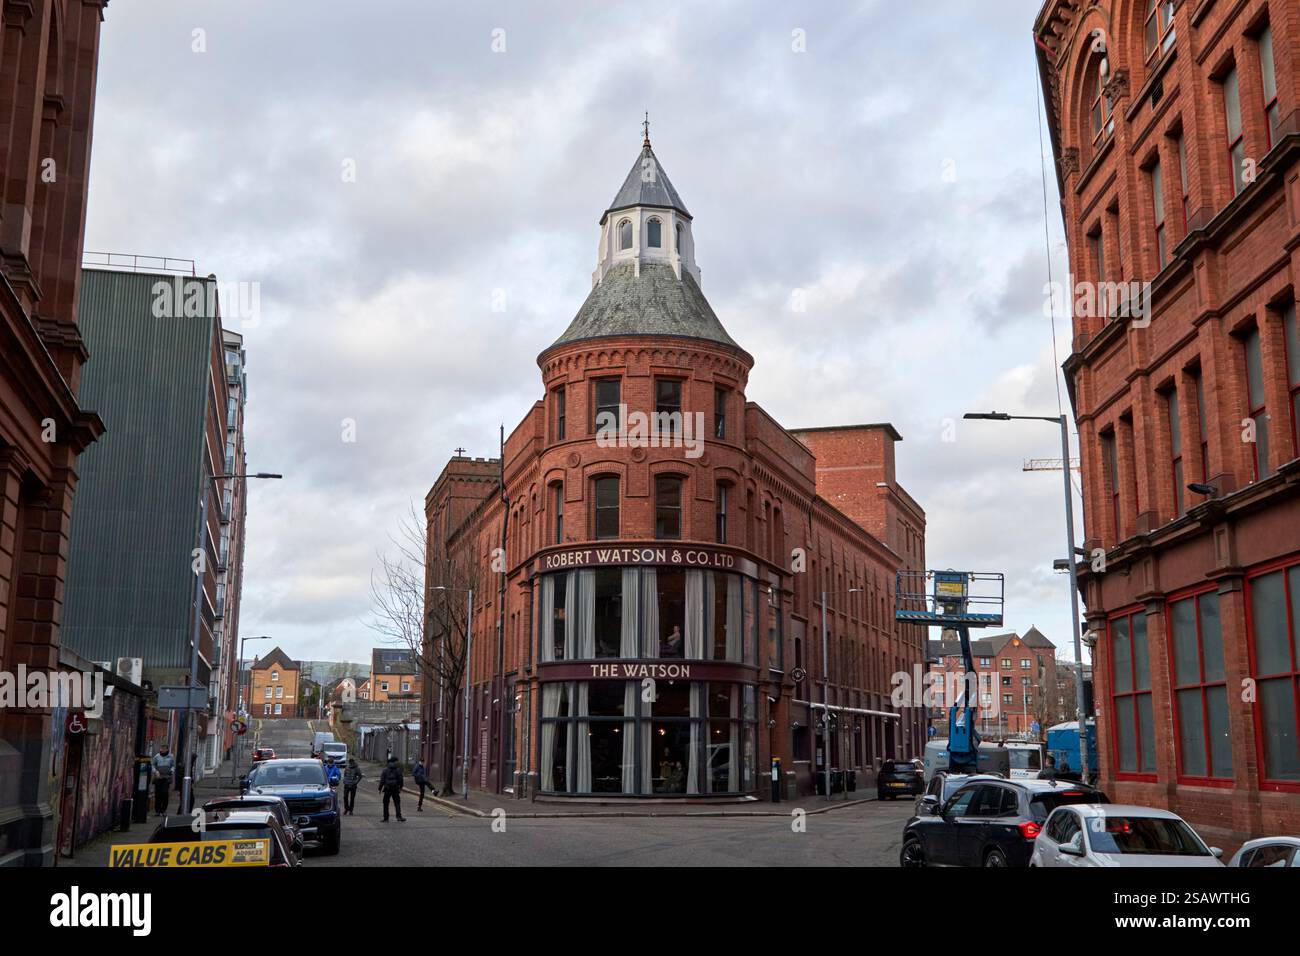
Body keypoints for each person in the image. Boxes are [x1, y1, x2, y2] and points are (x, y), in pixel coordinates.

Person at [378, 756, 406, 822]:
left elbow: (382, 780)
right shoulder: (398, 770)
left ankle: (386, 818)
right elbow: (401, 780)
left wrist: (380, 788)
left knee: (385, 803)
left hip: (387, 788)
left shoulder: (385, 770)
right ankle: (399, 817)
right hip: (395, 788)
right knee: (397, 802)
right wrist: (400, 787)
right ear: (394, 762)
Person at [151, 745, 175, 816]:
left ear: (167, 749)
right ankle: (157, 811)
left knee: (164, 794)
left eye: (164, 748)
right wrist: (155, 771)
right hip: (158, 778)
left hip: (166, 778)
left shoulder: (170, 757)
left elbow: (173, 765)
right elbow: (153, 765)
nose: (162, 750)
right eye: (161, 748)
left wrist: (171, 770)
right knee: (158, 794)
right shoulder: (157, 757)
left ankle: (163, 810)